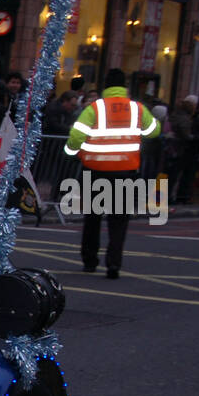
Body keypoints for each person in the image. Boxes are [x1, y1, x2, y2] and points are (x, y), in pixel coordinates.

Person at [65, 68, 160, 278]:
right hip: (125, 172)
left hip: (95, 171)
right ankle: (113, 264)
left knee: (92, 218)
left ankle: (89, 261)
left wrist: (71, 151)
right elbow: (154, 130)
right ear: (124, 86)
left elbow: (76, 135)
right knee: (118, 221)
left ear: (105, 86)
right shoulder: (136, 108)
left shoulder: (95, 108)